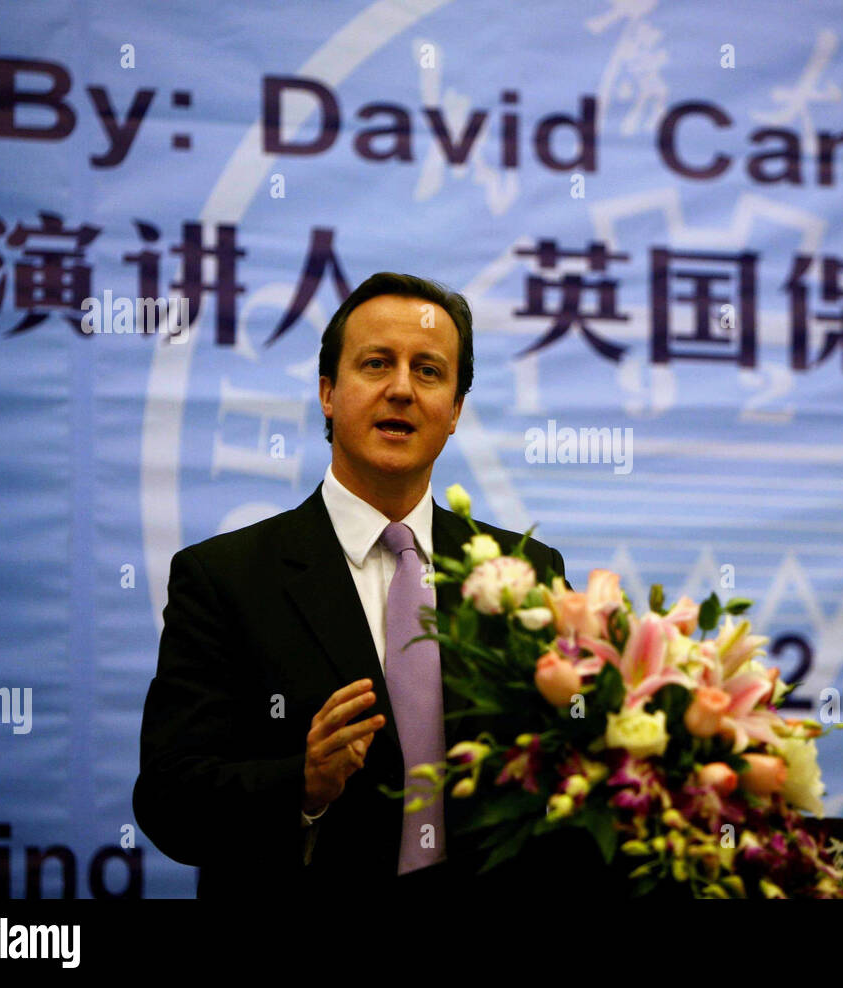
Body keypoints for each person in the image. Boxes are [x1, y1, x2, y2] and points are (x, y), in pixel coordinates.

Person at [133, 272, 579, 900]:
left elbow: (570, 781)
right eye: (376, 364)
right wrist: (304, 784)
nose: (401, 388)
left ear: (453, 411)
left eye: (428, 371)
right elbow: (169, 801)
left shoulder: (524, 574)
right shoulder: (226, 578)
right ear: (328, 394)